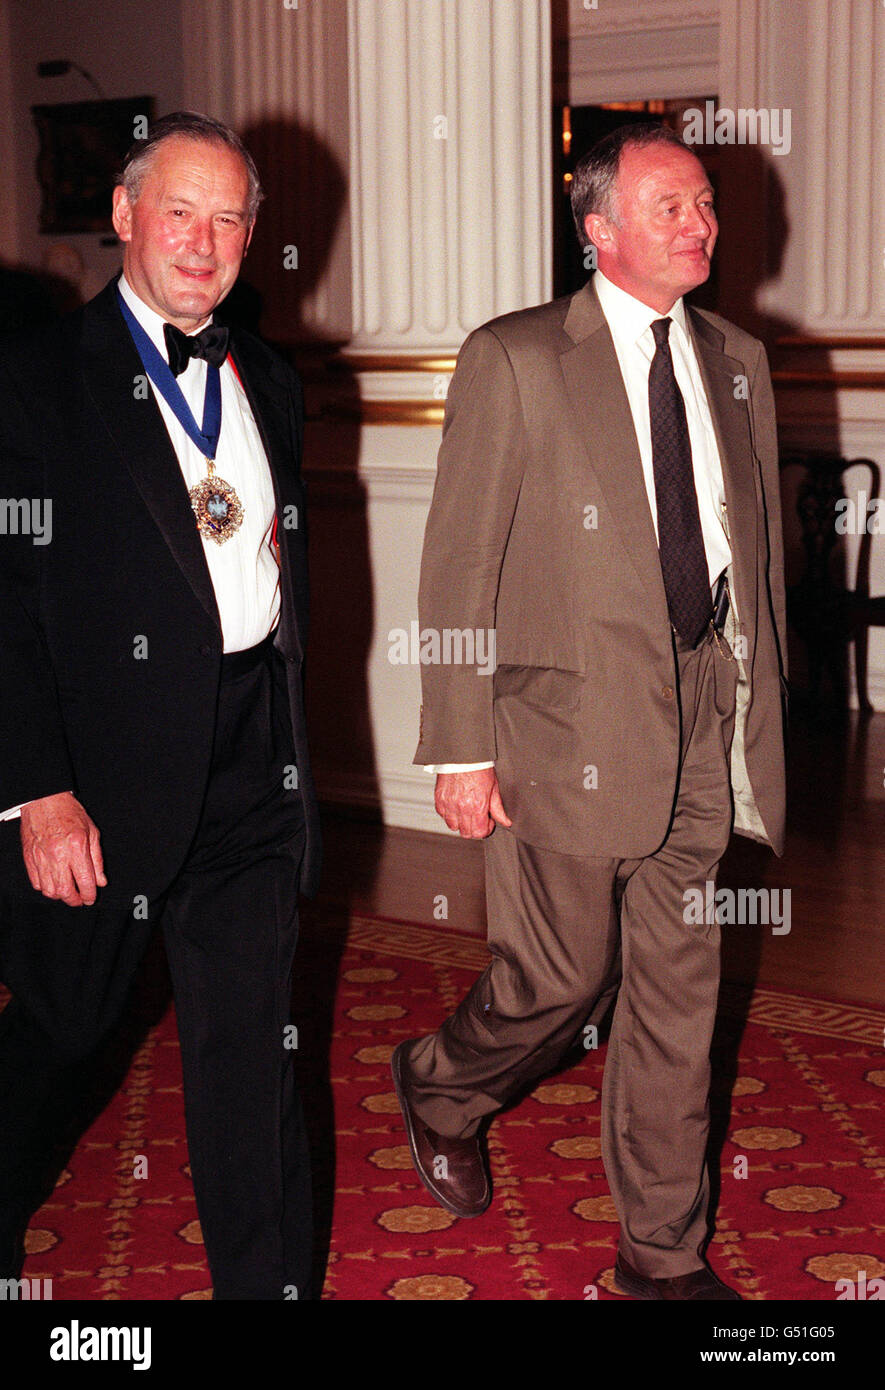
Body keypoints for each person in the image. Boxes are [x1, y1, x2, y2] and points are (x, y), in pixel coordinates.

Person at [392, 123, 787, 1301]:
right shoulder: (515, 358)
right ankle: (440, 1082)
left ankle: (661, 1259)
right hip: (563, 730)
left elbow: (748, 552)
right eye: (671, 205)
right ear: (599, 229)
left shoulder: (738, 359)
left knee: (680, 996)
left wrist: (759, 705)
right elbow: (458, 563)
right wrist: (459, 745)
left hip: (703, 712)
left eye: (706, 202)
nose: (700, 223)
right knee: (561, 983)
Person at [0, 111, 321, 1300]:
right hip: (100, 770)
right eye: (178, 211)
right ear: (125, 217)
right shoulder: (34, 382)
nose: (204, 239)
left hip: (248, 759)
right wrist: (37, 789)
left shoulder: (272, 377)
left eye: (229, 217)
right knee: (68, 1026)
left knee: (251, 1060)